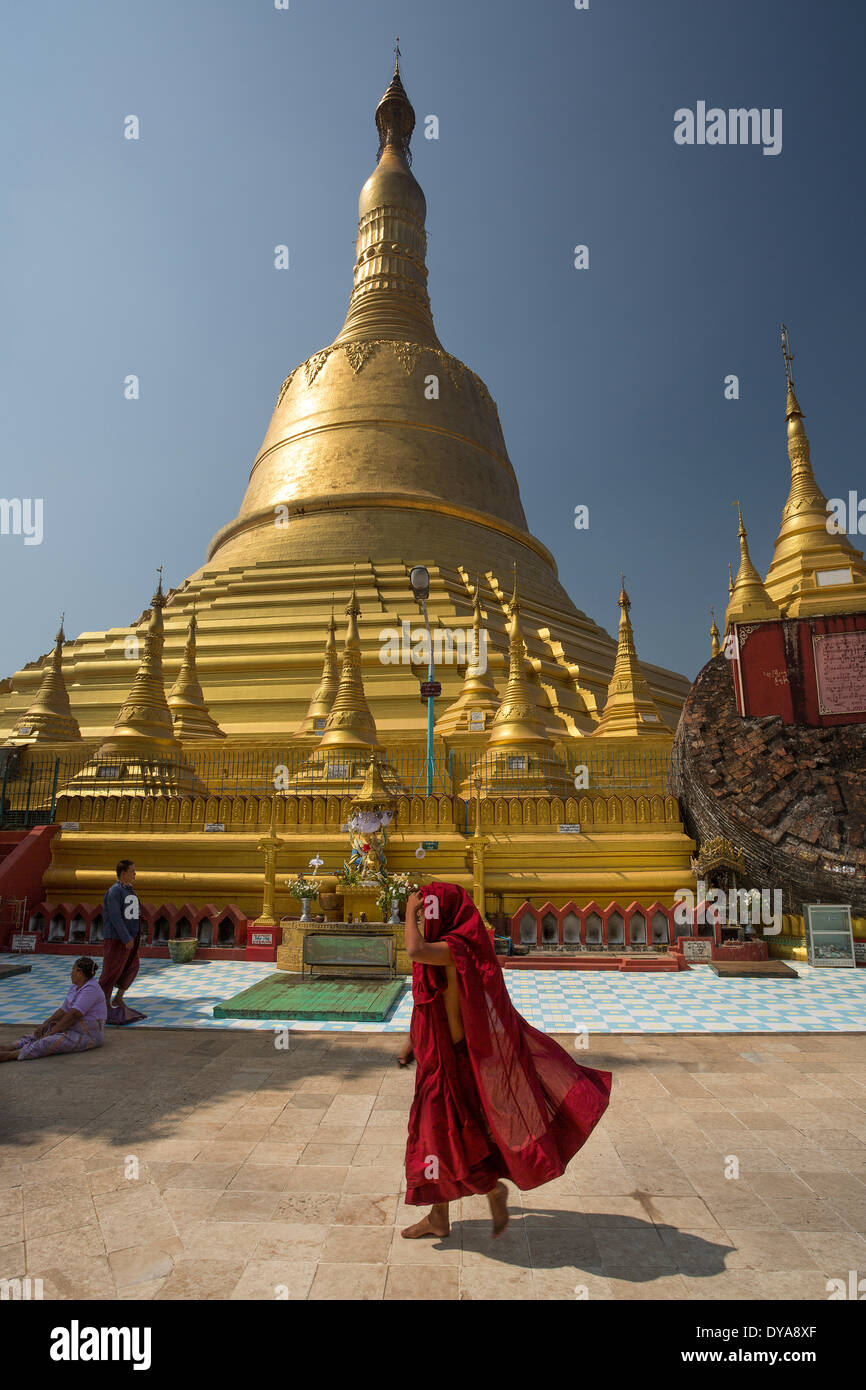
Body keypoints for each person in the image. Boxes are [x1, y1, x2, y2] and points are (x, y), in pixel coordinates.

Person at [401, 882, 612, 1240]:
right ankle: (440, 1216)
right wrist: (410, 1042)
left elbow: (413, 948)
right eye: (423, 913)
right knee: (443, 1137)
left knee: (438, 1135)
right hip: (436, 1059)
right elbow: (428, 1002)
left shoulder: (454, 949)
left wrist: (407, 911)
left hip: (454, 1064)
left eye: (429, 911)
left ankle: (488, 1188)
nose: (425, 917)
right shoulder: (442, 952)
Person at [0, 957, 107, 1061]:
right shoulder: (75, 987)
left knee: (50, 1041)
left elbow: (74, 1015)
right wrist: (46, 1023)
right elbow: (63, 1010)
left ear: (80, 972)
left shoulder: (91, 989)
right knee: (41, 1032)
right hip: (73, 1029)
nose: (71, 973)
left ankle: (10, 1055)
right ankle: (9, 1047)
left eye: (73, 970)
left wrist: (52, 1032)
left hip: (88, 1035)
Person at [99, 859, 146, 1024]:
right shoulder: (114, 892)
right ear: (123, 873)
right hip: (116, 938)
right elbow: (115, 917)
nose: (135, 874)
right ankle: (103, 1003)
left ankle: (118, 997)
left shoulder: (129, 891)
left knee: (132, 966)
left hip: (131, 938)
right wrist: (125, 937)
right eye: (132, 871)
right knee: (112, 970)